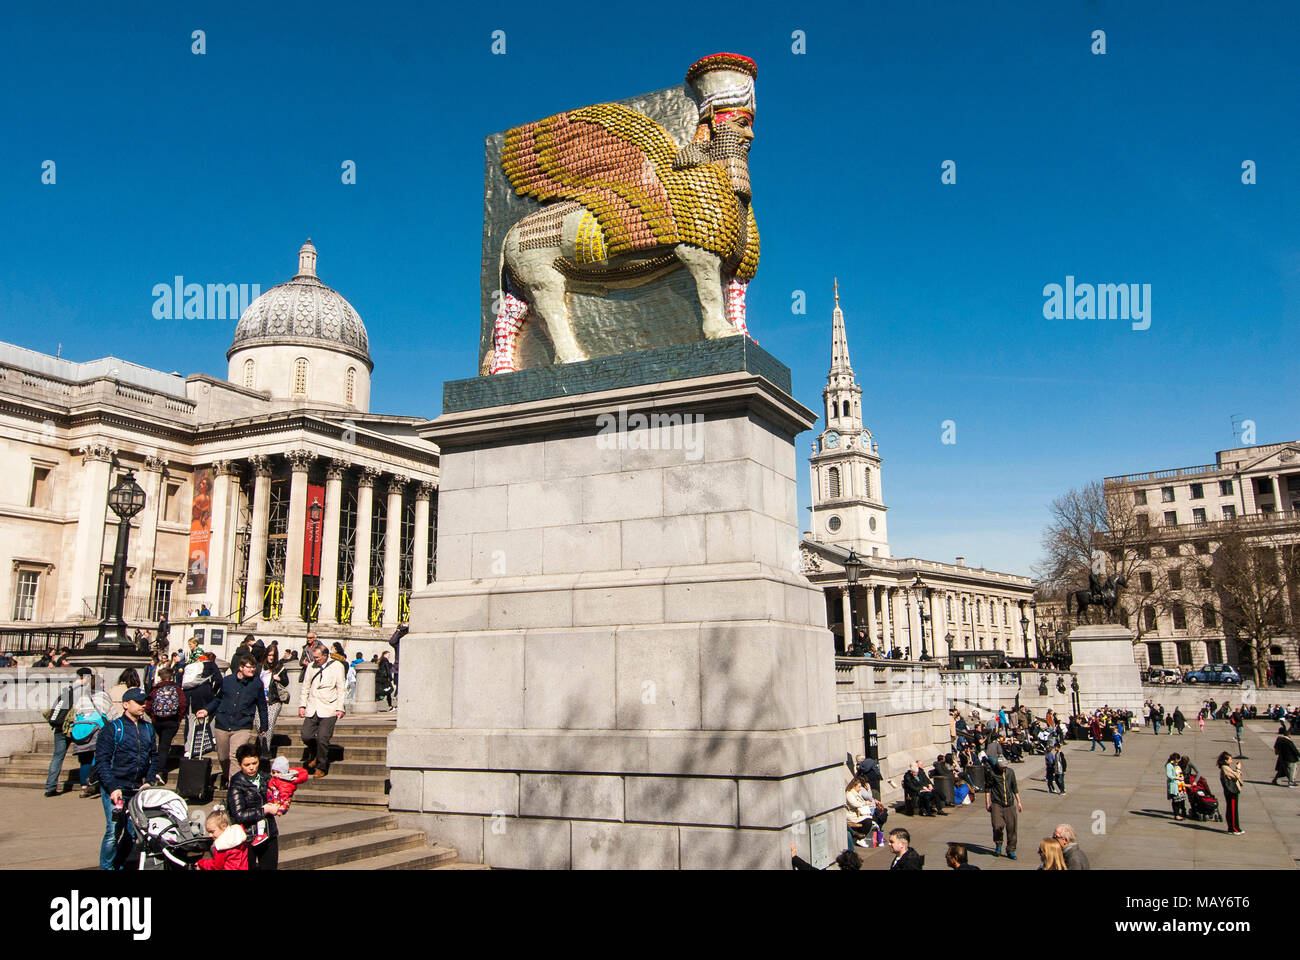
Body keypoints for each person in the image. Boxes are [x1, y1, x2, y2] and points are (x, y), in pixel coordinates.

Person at [94, 689, 159, 870]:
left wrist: (150, 779)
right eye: (138, 702)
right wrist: (113, 787)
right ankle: (107, 868)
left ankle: (119, 864)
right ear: (125, 704)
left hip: (136, 788)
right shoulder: (113, 729)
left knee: (133, 834)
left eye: (144, 702)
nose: (143, 705)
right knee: (113, 831)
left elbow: (154, 756)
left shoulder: (148, 728)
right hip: (115, 788)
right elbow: (102, 762)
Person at [195, 654, 269, 787]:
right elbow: (218, 699)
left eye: (253, 667)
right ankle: (226, 775)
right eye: (249, 667)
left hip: (242, 725)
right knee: (223, 757)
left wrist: (264, 725)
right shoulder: (228, 680)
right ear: (241, 668)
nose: (252, 670)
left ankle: (233, 787)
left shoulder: (257, 684)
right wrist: (206, 710)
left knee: (235, 756)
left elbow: (262, 706)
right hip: (223, 723)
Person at [227, 742, 283, 869]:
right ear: (240, 764)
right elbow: (239, 814)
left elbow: (278, 797)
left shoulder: (265, 778)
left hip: (269, 833)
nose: (251, 767)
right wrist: (264, 810)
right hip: (247, 836)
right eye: (247, 765)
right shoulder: (236, 783)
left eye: (254, 763)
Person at [299, 640, 347, 777]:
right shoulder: (311, 667)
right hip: (313, 706)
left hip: (329, 707)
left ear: (325, 655)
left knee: (323, 737)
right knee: (306, 735)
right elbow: (305, 686)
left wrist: (340, 708)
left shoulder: (337, 666)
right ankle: (314, 752)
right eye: (314, 658)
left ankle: (321, 766)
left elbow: (341, 688)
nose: (315, 660)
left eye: (317, 658)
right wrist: (302, 705)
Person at [44, 668, 91, 797]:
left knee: (57, 757)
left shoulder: (67, 689)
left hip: (60, 727)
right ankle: (86, 785)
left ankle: (50, 786)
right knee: (85, 755)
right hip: (75, 727)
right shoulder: (83, 691)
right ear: (86, 677)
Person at [144, 666, 186, 784]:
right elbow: (183, 704)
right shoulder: (177, 689)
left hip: (157, 721)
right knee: (164, 746)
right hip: (172, 721)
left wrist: (153, 716)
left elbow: (148, 705)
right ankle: (160, 771)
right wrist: (178, 718)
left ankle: (154, 768)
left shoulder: (156, 689)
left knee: (160, 744)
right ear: (171, 676)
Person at [985, 756, 1021, 859]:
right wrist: (987, 803)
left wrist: (1019, 802)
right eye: (1002, 767)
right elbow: (988, 788)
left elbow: (1014, 787)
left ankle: (1011, 849)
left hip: (1009, 803)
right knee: (997, 825)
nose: (1004, 769)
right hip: (997, 803)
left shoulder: (1010, 772)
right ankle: (998, 843)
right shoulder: (992, 773)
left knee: (1012, 828)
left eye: (1005, 767)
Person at [194, 806, 249, 871]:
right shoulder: (239, 836)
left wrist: (201, 863)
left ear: (224, 826)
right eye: (209, 832)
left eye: (212, 831)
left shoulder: (222, 845)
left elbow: (216, 866)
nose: (210, 835)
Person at [1217, 751, 1244, 834]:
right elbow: (1236, 776)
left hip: (1232, 791)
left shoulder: (1226, 767)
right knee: (1232, 810)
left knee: (1234, 809)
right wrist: (1238, 768)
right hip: (1231, 792)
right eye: (1230, 759)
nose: (1231, 761)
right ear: (1225, 760)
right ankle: (1232, 828)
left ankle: (1236, 827)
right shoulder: (1225, 768)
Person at [1166, 752, 1187, 821]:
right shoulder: (1169, 765)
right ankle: (1176, 815)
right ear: (1175, 759)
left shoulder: (1176, 765)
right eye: (1177, 759)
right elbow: (1169, 775)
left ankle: (1180, 813)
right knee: (1175, 801)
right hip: (1174, 785)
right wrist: (1177, 778)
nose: (1178, 761)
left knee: (1180, 800)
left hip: (1180, 785)